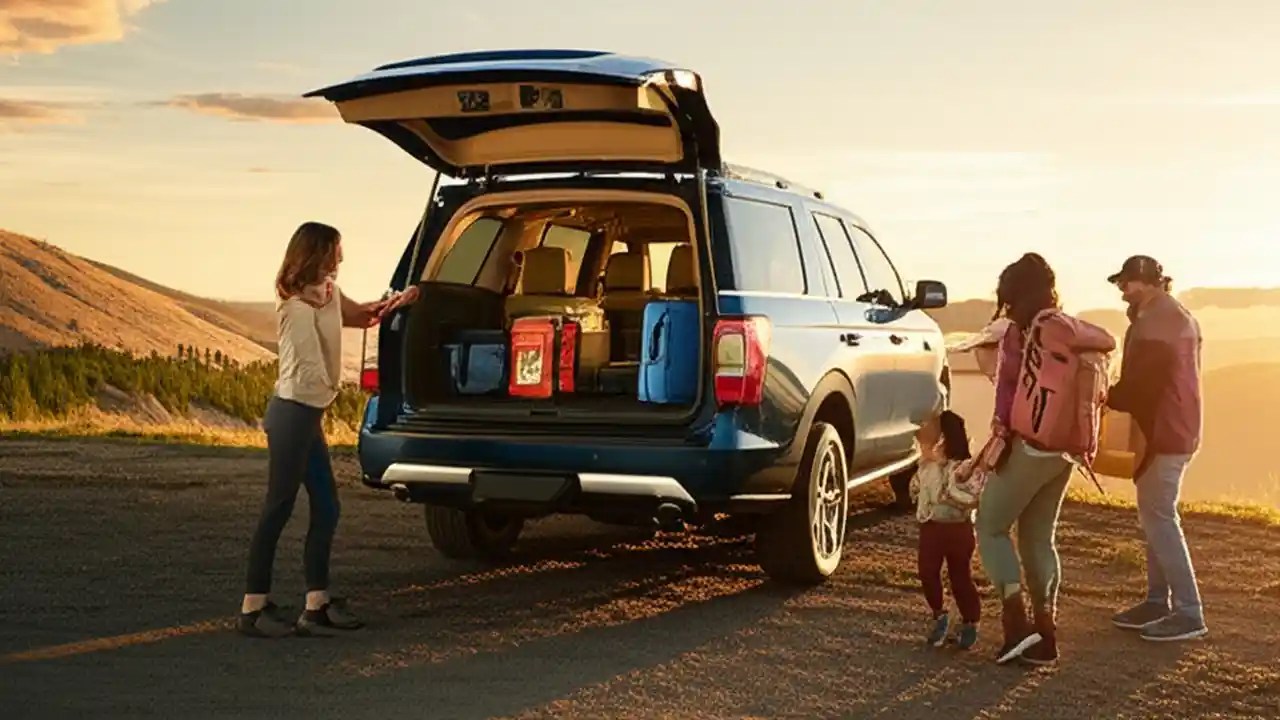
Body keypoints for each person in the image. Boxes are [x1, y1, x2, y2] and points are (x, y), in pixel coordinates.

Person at [238, 221, 388, 638]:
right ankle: (253, 608)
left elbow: (361, 316)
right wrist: (334, 391)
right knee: (279, 508)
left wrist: (398, 303)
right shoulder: (294, 306)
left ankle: (316, 603)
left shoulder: (329, 294)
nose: (342, 259)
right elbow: (308, 368)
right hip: (291, 414)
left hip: (307, 415)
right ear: (318, 254)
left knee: (327, 506)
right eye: (337, 251)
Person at [976, 253, 1073, 666]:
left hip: (1029, 445)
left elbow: (1006, 397)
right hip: (1065, 451)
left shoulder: (1019, 333)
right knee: (1038, 536)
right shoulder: (1066, 329)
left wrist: (995, 442)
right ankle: (1046, 634)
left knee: (991, 526)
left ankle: (1015, 624)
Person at [1104, 255, 1208, 642]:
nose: (1123, 292)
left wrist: (1104, 396)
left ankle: (1188, 611)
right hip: (1174, 430)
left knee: (1160, 518)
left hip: (1164, 433)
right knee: (1155, 515)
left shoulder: (1158, 322)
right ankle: (1156, 600)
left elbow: (1140, 388)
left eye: (1127, 284)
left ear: (1148, 283)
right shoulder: (1171, 316)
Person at [911, 407, 981, 650]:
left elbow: (969, 496)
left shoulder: (964, 468)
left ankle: (970, 620)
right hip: (932, 528)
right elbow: (917, 490)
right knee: (927, 572)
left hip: (958, 529)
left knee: (959, 576)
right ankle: (940, 615)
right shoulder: (925, 467)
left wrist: (946, 482)